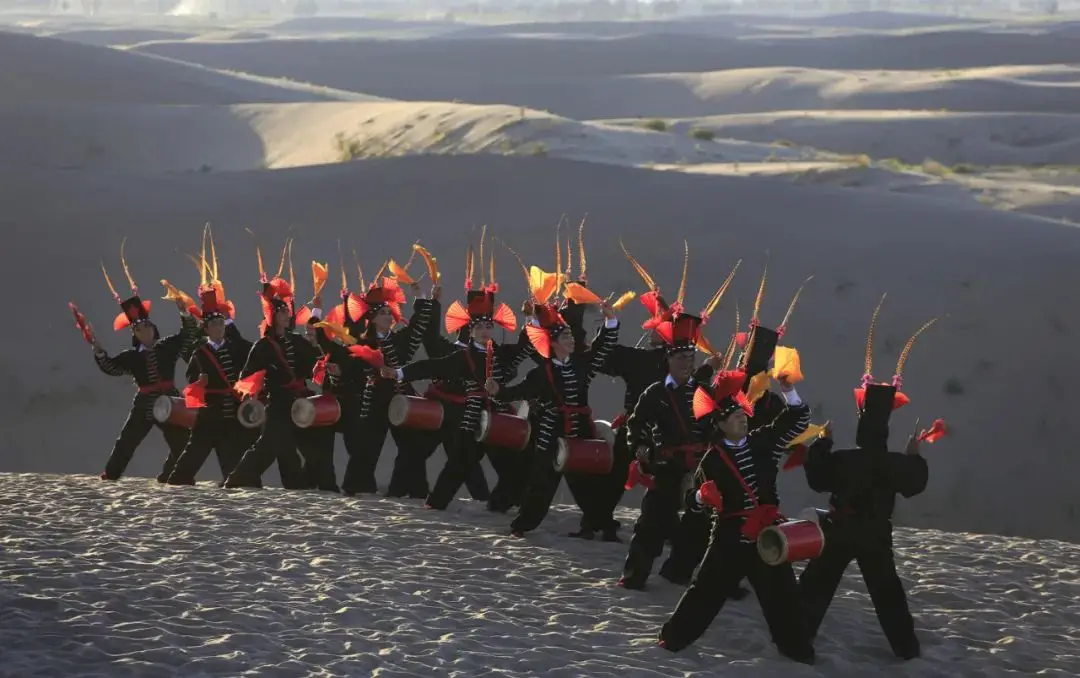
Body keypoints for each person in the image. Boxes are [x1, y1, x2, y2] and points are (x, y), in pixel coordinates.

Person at [798, 296, 936, 660]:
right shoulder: (894, 463)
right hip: (875, 533)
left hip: (840, 529)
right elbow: (915, 484)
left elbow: (817, 479)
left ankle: (797, 640)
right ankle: (906, 649)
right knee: (887, 592)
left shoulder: (845, 459)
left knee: (816, 584)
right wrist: (913, 456)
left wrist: (822, 443)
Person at [656, 369, 814, 663]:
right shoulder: (712, 460)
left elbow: (797, 420)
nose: (742, 418)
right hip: (729, 537)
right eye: (734, 415)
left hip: (767, 534)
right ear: (719, 423)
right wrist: (702, 496)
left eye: (742, 413)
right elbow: (692, 502)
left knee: (783, 597)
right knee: (704, 592)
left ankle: (798, 653)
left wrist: (788, 391)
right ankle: (672, 640)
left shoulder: (764, 441)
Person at [387, 272, 531, 510]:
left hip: (498, 417)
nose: (485, 331)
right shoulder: (463, 356)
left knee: (511, 465)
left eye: (488, 326)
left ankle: (498, 505)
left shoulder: (501, 353)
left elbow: (524, 348)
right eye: (479, 327)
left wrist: (531, 318)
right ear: (470, 331)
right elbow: (432, 366)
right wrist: (400, 373)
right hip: (472, 418)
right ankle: (435, 503)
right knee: (458, 465)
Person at [485, 299, 619, 538]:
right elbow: (518, 391)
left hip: (580, 432)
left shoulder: (581, 365)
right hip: (551, 433)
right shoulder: (540, 374)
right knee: (542, 484)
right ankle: (521, 526)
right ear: (553, 342)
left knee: (587, 483)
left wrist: (610, 320)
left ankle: (600, 527)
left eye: (571, 335)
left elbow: (602, 348)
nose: (572, 339)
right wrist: (498, 391)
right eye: (566, 336)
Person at [92, 248, 198, 481]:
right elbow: (112, 368)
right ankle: (111, 474)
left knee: (181, 441)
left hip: (169, 401)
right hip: (144, 403)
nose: (145, 331)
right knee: (127, 441)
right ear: (135, 334)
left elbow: (188, 335)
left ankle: (171, 475)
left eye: (147, 326)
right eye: (139, 329)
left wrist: (184, 314)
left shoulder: (167, 346)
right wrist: (99, 353)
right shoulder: (130, 357)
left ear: (153, 328)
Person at [222, 274, 324, 490]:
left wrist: (316, 321)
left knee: (304, 448)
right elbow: (247, 375)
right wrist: (256, 389)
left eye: (287, 311)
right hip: (277, 403)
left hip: (300, 402)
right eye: (282, 312)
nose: (287, 315)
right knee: (268, 447)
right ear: (273, 316)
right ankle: (236, 480)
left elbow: (314, 362)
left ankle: (300, 484)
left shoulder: (296, 341)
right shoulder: (263, 346)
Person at [340, 275, 435, 495]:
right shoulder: (364, 342)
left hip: (402, 397)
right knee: (368, 445)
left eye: (388, 312)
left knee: (412, 445)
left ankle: (406, 489)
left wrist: (420, 297)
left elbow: (419, 325)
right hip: (375, 398)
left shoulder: (401, 339)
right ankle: (357, 486)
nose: (388, 316)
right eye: (383, 313)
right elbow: (352, 367)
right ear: (373, 318)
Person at [167, 282, 255, 485]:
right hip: (209, 415)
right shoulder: (199, 352)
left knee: (234, 468)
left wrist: (229, 318)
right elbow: (190, 376)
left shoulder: (235, 347)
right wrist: (199, 383)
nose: (219, 328)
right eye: (215, 324)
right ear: (206, 329)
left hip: (231, 414)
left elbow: (251, 352)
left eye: (221, 323)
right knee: (189, 462)